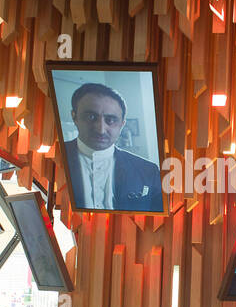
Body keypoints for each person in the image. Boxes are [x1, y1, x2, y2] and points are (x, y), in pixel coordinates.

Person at [64, 83, 163, 212]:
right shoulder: (56, 157)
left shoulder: (148, 171)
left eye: (110, 120)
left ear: (122, 124)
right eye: (91, 117)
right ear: (74, 116)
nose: (101, 130)